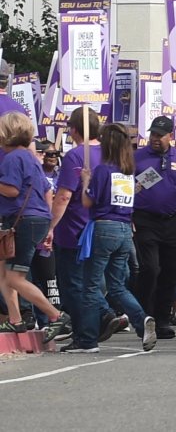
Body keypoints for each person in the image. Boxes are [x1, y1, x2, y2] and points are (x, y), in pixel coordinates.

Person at [74, 121, 156, 353]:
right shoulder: (127, 173)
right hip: (123, 230)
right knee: (117, 285)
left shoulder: (103, 170)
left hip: (104, 227)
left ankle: (89, 340)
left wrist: (86, 182)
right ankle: (141, 320)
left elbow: (88, 202)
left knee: (91, 286)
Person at [0, 111, 62, 338]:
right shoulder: (31, 158)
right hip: (35, 218)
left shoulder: (12, 158)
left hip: (22, 220)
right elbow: (47, 191)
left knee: (15, 277)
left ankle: (56, 315)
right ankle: (15, 319)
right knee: (4, 271)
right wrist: (48, 224)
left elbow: (12, 189)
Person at [127, 117, 176, 343]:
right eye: (152, 134)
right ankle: (146, 316)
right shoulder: (137, 157)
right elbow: (127, 187)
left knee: (171, 271)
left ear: (169, 136)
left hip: (172, 221)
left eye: (159, 135)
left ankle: (162, 320)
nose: (154, 138)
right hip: (145, 220)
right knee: (150, 269)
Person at [45, 106, 100, 347]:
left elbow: (64, 196)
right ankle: (94, 326)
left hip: (74, 228)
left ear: (74, 129)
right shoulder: (110, 153)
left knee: (73, 284)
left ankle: (84, 335)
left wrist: (50, 226)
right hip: (101, 226)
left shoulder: (75, 156)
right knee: (92, 282)